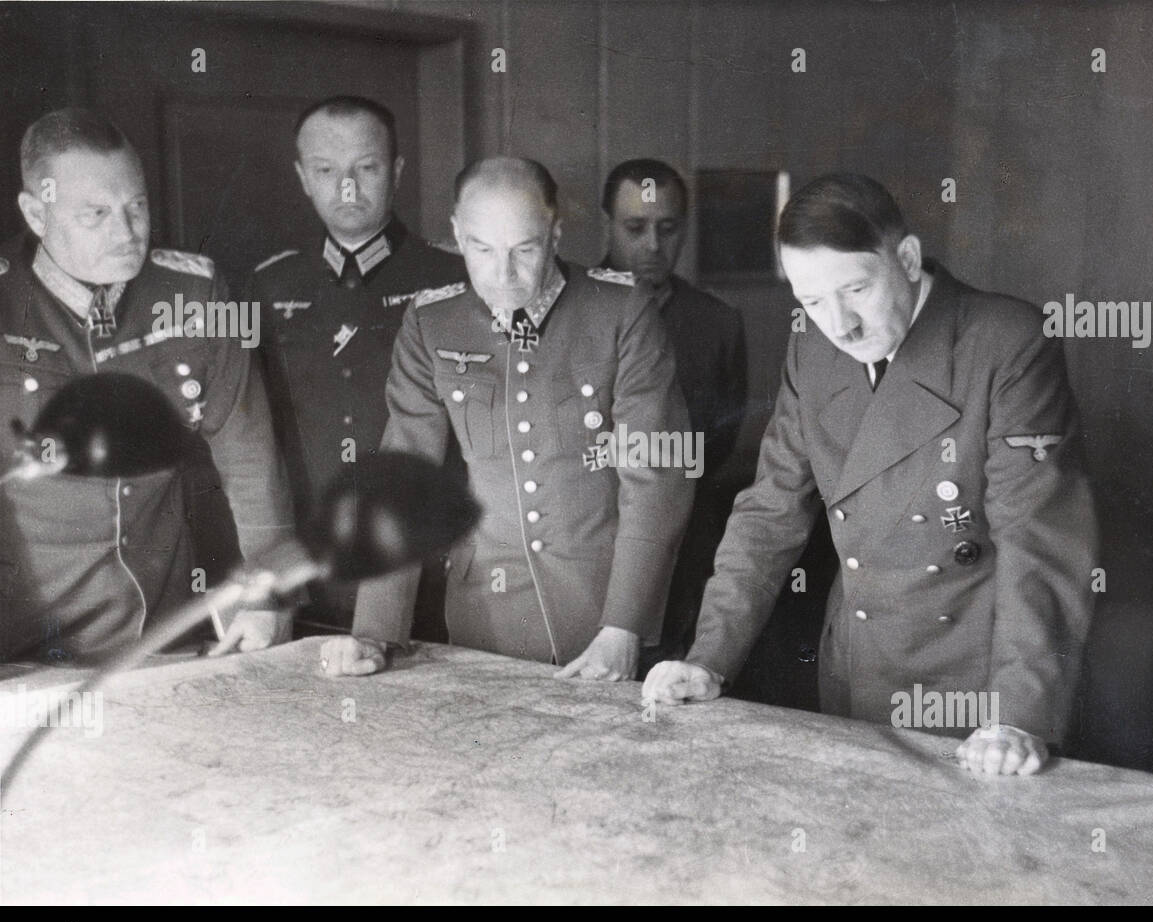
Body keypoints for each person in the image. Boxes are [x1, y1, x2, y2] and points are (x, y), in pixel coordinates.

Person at [643, 173, 1098, 776]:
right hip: (857, 671)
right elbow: (769, 511)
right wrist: (708, 659)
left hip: (974, 692)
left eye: (856, 289)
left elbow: (1037, 543)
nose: (842, 325)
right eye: (811, 302)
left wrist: (1017, 716)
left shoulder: (1005, 344)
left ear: (906, 259)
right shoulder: (813, 348)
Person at [321, 157, 693, 679]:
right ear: (456, 234)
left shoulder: (620, 311)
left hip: (602, 614)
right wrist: (374, 632)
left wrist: (623, 626)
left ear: (556, 232)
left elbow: (656, 476)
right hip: (485, 617)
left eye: (524, 249)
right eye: (481, 249)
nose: (502, 275)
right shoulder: (432, 322)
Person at [0, 108, 293, 662]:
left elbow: (252, 461)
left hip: (164, 630)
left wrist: (268, 597)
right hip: (23, 640)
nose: (127, 233)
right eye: (96, 214)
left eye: (137, 206)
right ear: (36, 214)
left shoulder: (200, 294)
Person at [247, 95, 466, 635]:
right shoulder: (269, 287)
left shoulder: (454, 281)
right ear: (302, 176)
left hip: (430, 578)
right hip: (311, 580)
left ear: (395, 172)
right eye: (327, 170)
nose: (347, 189)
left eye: (366, 168)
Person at [600, 158, 748, 664]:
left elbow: (720, 442)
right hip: (588, 551)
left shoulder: (718, 324)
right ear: (607, 224)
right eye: (635, 228)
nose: (652, 247)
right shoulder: (574, 308)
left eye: (667, 229)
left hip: (686, 549)